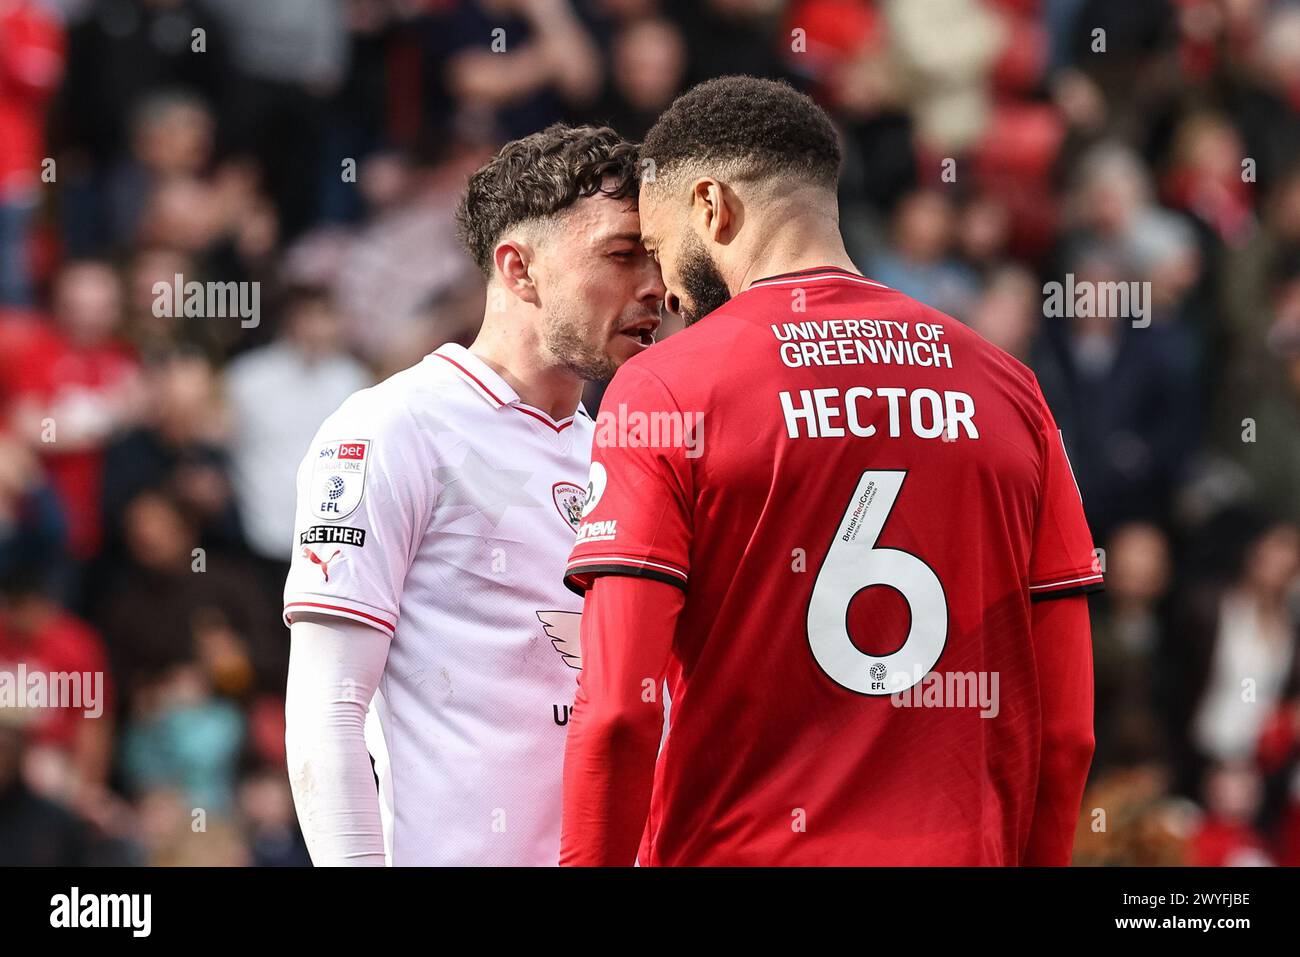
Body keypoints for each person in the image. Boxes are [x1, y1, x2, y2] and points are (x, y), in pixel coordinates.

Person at [560, 76, 1101, 866]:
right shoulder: (1009, 388)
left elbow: (617, 713)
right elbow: (1067, 731)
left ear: (711, 207)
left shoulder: (666, 387)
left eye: (659, 245)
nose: (665, 289)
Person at [283, 124, 664, 866]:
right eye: (621, 254)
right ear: (519, 270)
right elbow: (326, 713)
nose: (652, 285)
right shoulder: (392, 427)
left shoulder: (620, 450)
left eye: (655, 258)